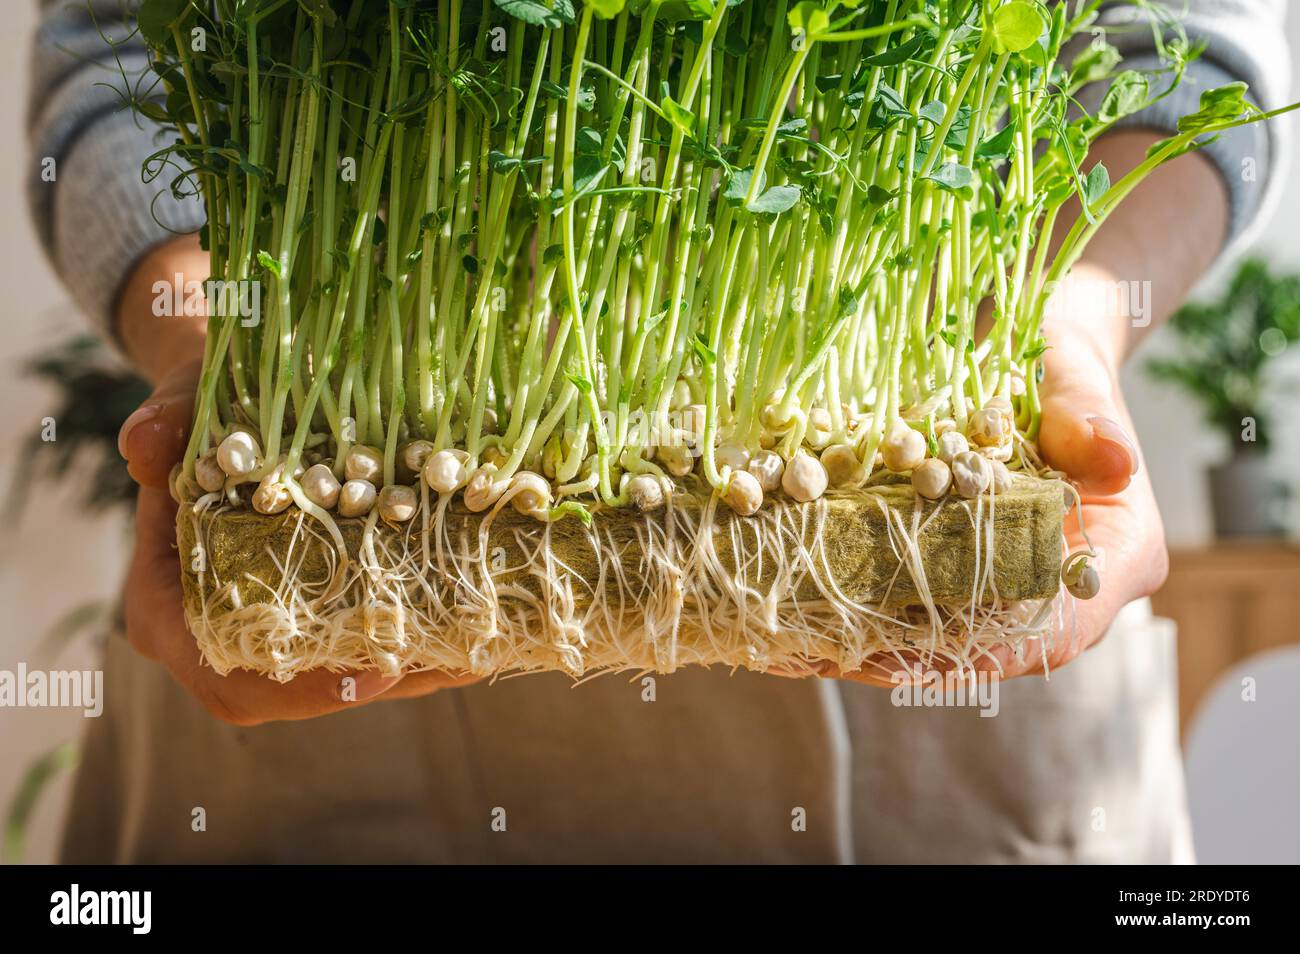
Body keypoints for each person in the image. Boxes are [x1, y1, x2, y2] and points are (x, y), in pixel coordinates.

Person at [29, 0, 1290, 863]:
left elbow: (1184, 45)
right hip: (342, 666)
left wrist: (1058, 318)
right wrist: (218, 347)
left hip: (953, 773)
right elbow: (118, 62)